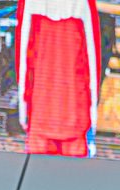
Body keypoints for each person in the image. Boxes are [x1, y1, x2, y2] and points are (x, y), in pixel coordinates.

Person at [16, 0, 101, 158]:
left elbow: (23, 61)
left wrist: (23, 112)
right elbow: (92, 63)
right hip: (68, 118)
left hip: (46, 118)